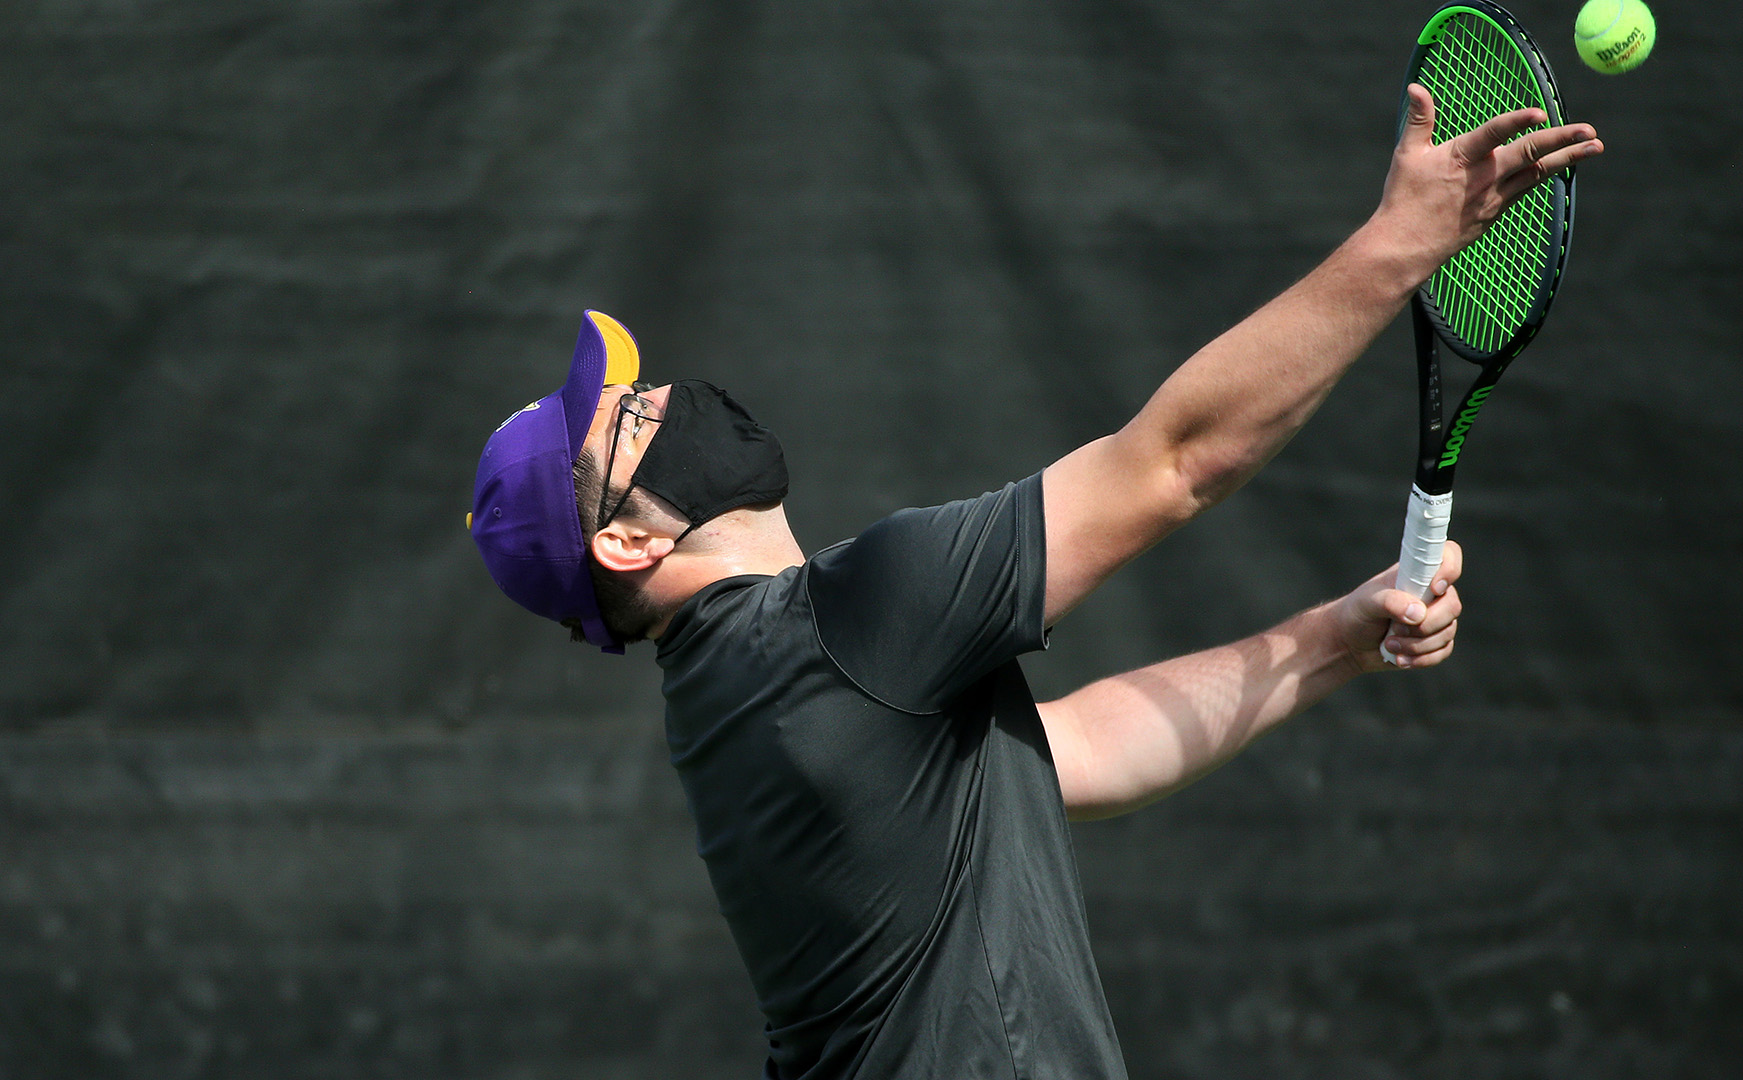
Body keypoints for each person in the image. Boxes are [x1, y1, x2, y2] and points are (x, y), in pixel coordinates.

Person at [469, 86, 1600, 1080]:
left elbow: (1073, 753)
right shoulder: (837, 631)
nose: (661, 392)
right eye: (626, 421)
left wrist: (1331, 641)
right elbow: (1175, 463)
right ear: (628, 545)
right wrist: (1402, 241)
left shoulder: (741, 696)